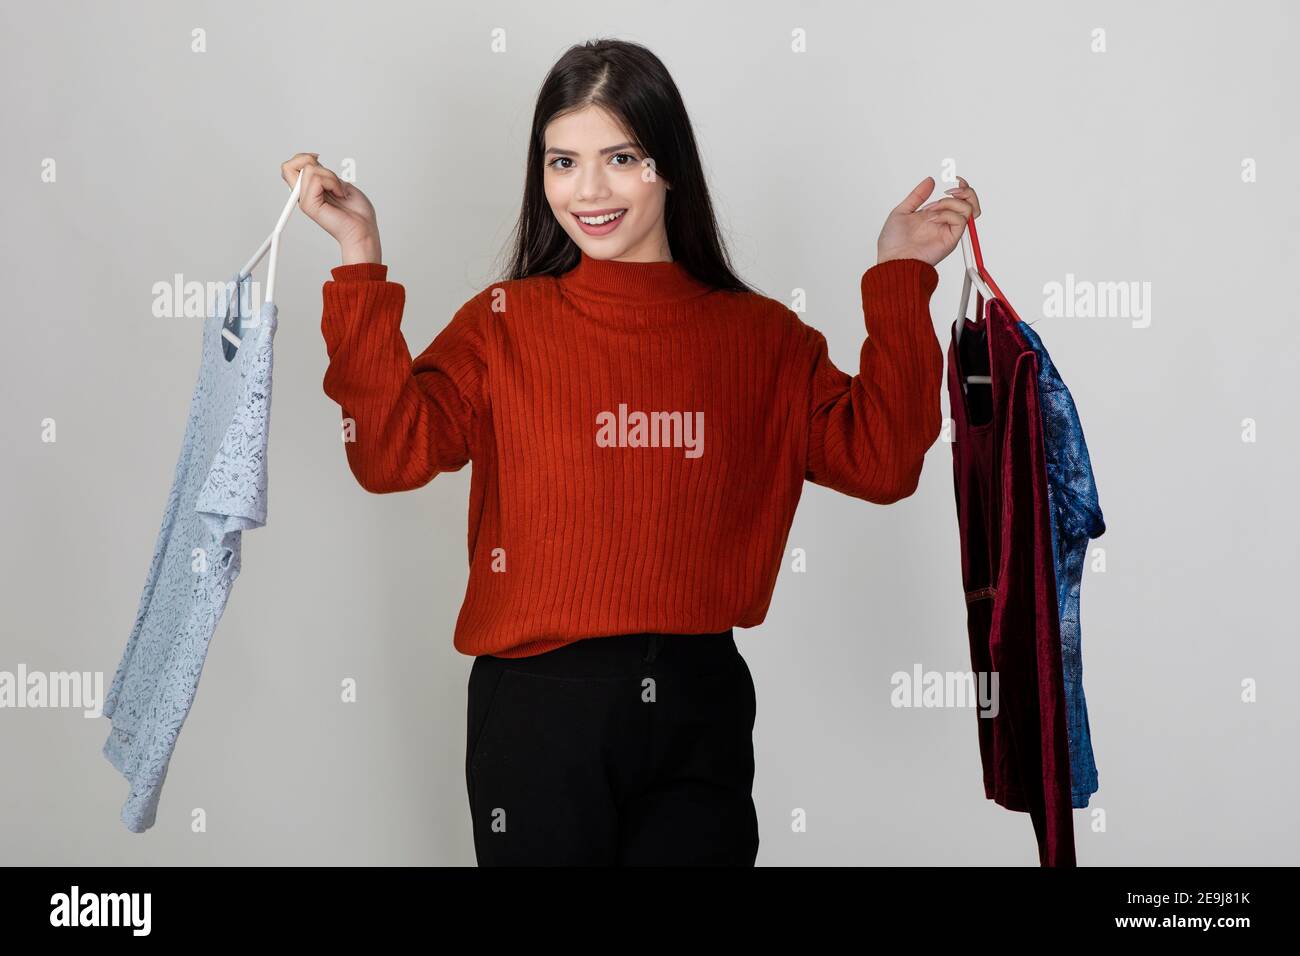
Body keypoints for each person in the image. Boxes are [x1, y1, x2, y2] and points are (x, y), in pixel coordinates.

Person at [283, 37, 980, 866]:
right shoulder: (505, 320)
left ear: (668, 165)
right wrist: (358, 257)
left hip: (700, 700)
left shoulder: (760, 337)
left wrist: (900, 278)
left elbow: (883, 461)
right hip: (537, 711)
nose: (589, 190)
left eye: (620, 157)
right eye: (562, 161)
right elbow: (389, 455)